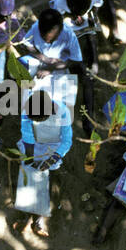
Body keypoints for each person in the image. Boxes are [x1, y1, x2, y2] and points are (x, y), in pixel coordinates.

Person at [15, 88, 74, 237]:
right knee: (27, 179)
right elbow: (27, 136)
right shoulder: (28, 109)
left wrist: (52, 159)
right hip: (33, 145)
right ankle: (24, 215)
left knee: (45, 183)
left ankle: (37, 220)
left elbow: (66, 141)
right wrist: (31, 159)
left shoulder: (63, 112)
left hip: (53, 147)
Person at [17, 7, 83, 79]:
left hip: (59, 65)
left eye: (53, 39)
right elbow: (27, 44)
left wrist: (51, 68)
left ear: (60, 31)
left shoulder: (69, 34)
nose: (47, 42)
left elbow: (75, 60)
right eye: (44, 38)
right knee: (18, 69)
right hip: (40, 60)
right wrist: (44, 58)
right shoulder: (36, 27)